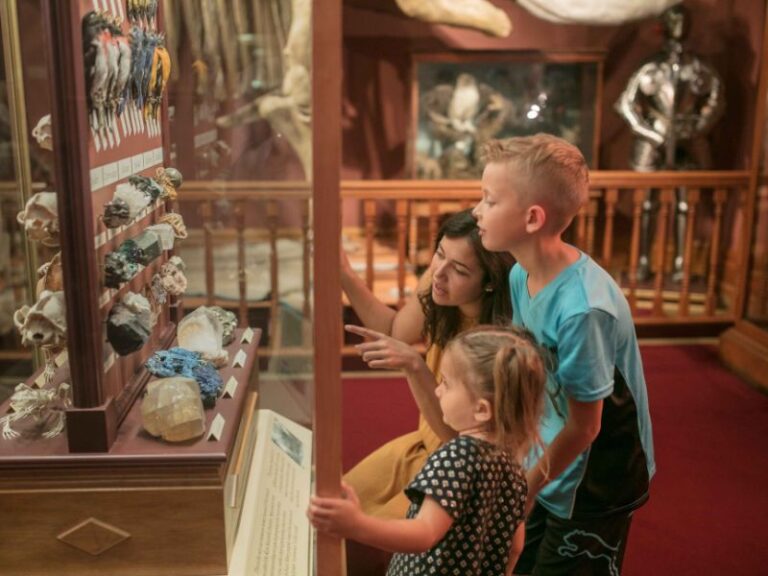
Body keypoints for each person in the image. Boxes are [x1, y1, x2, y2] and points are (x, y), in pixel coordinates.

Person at [472, 134, 655, 575]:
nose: (477, 211)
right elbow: (533, 375)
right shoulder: (520, 274)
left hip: (595, 480)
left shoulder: (582, 310)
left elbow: (587, 425)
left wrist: (529, 486)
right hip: (549, 459)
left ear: (533, 218)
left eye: (489, 200)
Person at [309, 325, 547, 576]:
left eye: (447, 383)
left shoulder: (456, 456)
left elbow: (425, 532)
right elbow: (516, 546)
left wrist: (357, 525)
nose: (437, 389)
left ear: (481, 410)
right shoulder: (513, 466)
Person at [342, 208, 513, 522]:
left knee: (361, 529)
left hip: (457, 465)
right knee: (339, 497)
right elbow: (396, 330)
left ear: (489, 282)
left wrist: (415, 367)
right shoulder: (441, 285)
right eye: (439, 254)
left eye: (459, 269)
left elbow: (454, 437)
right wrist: (343, 272)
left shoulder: (492, 342)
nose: (439, 273)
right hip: (422, 445)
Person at [615, 4, 724, 280]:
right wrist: (651, 133)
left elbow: (717, 99)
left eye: (683, 20)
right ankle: (641, 263)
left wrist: (698, 125)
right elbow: (626, 104)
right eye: (673, 20)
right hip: (653, 139)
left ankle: (681, 265)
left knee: (685, 204)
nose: (679, 26)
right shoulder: (650, 68)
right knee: (647, 203)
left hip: (688, 138)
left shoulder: (698, 68)